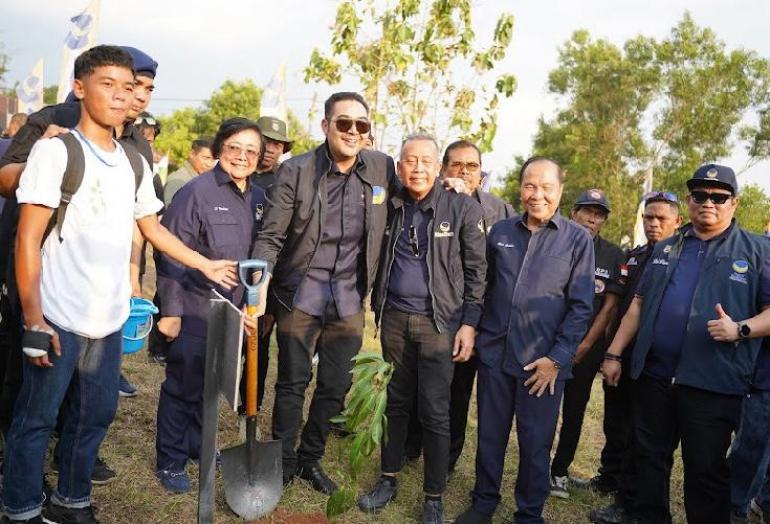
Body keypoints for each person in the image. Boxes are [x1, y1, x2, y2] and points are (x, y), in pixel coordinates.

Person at [2, 45, 235, 524]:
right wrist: (32, 320)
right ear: (80, 87)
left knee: (93, 419)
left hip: (106, 322)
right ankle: (20, 508)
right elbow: (27, 240)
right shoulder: (56, 150)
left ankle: (72, 502)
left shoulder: (133, 161)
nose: (118, 94)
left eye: (126, 86)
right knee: (35, 420)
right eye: (106, 83)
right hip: (58, 316)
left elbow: (152, 227)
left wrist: (206, 264)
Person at [0, 44, 159, 483]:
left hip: (98, 302)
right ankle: (22, 488)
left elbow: (141, 222)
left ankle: (71, 479)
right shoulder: (55, 126)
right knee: (28, 389)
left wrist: (134, 279)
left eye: (142, 88)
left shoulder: (135, 148)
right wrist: (49, 157)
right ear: (83, 86)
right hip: (42, 273)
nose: (135, 97)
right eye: (125, 85)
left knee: (92, 403)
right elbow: (6, 178)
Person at [603, 164, 770, 524]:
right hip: (655, 377)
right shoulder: (667, 247)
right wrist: (614, 353)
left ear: (734, 203)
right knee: (649, 461)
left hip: (712, 384)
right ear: (690, 201)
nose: (708, 202)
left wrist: (740, 329)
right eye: (699, 195)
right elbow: (638, 305)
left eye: (718, 197)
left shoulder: (757, 251)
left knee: (705, 473)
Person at [250, 91, 395, 493]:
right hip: (301, 294)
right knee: (292, 382)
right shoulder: (295, 171)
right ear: (325, 125)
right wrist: (259, 285)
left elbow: (416, 196)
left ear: (368, 132)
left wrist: (454, 183)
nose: (352, 131)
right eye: (343, 122)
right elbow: (271, 236)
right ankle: (283, 460)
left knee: (335, 385)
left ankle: (310, 460)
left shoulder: (382, 168)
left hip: (349, 298)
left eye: (360, 125)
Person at [455, 157, 595, 524]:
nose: (537, 195)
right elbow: (482, 287)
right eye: (530, 186)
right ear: (520, 188)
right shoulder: (501, 231)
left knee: (535, 446)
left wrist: (558, 358)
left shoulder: (577, 239)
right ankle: (484, 500)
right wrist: (474, 329)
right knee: (490, 436)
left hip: (542, 365)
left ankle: (529, 512)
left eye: (546, 187)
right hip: (495, 355)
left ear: (560, 190)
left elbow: (581, 307)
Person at [357, 135, 487, 523]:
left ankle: (434, 495)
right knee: (395, 403)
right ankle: (388, 477)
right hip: (395, 318)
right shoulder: (392, 205)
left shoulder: (461, 208)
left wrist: (469, 324)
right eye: (410, 161)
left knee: (434, 409)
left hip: (439, 323)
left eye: (426, 161)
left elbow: (478, 273)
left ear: (438, 168)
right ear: (400, 167)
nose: (417, 168)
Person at [154, 118, 266, 493]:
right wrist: (170, 311)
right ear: (220, 149)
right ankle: (170, 460)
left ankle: (199, 447)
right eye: (235, 147)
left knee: (212, 384)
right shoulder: (195, 192)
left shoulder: (259, 197)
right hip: (194, 305)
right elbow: (169, 251)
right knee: (184, 385)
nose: (243, 156)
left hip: (234, 311)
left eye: (252, 150)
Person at [403, 139, 515, 471]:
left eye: (472, 166)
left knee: (458, 390)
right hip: (436, 311)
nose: (464, 172)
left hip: (475, 314)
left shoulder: (500, 210)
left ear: (482, 173)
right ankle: (411, 446)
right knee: (418, 385)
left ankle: (448, 458)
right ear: (443, 169)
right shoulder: (432, 198)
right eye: (457, 165)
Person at [590, 191, 682, 524]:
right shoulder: (637, 254)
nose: (654, 223)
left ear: (677, 221)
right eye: (648, 217)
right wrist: (610, 350)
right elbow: (621, 304)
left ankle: (627, 499)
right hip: (620, 352)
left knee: (638, 433)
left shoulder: (678, 258)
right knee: (615, 421)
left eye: (661, 218)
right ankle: (609, 477)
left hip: (651, 360)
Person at [549, 189, 625, 498]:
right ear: (573, 212)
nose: (592, 218)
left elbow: (608, 307)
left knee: (575, 410)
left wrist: (584, 345)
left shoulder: (612, 254)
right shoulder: (553, 241)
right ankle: (535, 465)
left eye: (599, 214)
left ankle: (559, 471)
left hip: (585, 349)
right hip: (550, 343)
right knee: (543, 409)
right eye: (587, 211)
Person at [162, 138, 214, 206]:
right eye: (206, 158)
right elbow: (174, 214)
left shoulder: (203, 180)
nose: (209, 164)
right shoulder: (177, 181)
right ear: (192, 154)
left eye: (213, 159)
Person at [253, 115, 293, 191]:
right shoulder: (235, 170)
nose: (270, 150)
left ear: (282, 150)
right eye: (265, 142)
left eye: (277, 145)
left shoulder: (287, 179)